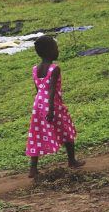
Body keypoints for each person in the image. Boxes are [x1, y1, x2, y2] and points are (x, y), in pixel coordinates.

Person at [26, 36, 81, 179]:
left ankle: (33, 169)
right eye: (56, 48)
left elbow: (38, 89)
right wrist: (51, 108)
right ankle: (72, 161)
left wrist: (42, 105)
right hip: (52, 103)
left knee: (36, 134)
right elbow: (51, 90)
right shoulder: (54, 68)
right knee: (66, 129)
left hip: (37, 104)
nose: (58, 50)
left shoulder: (35, 69)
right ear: (49, 51)